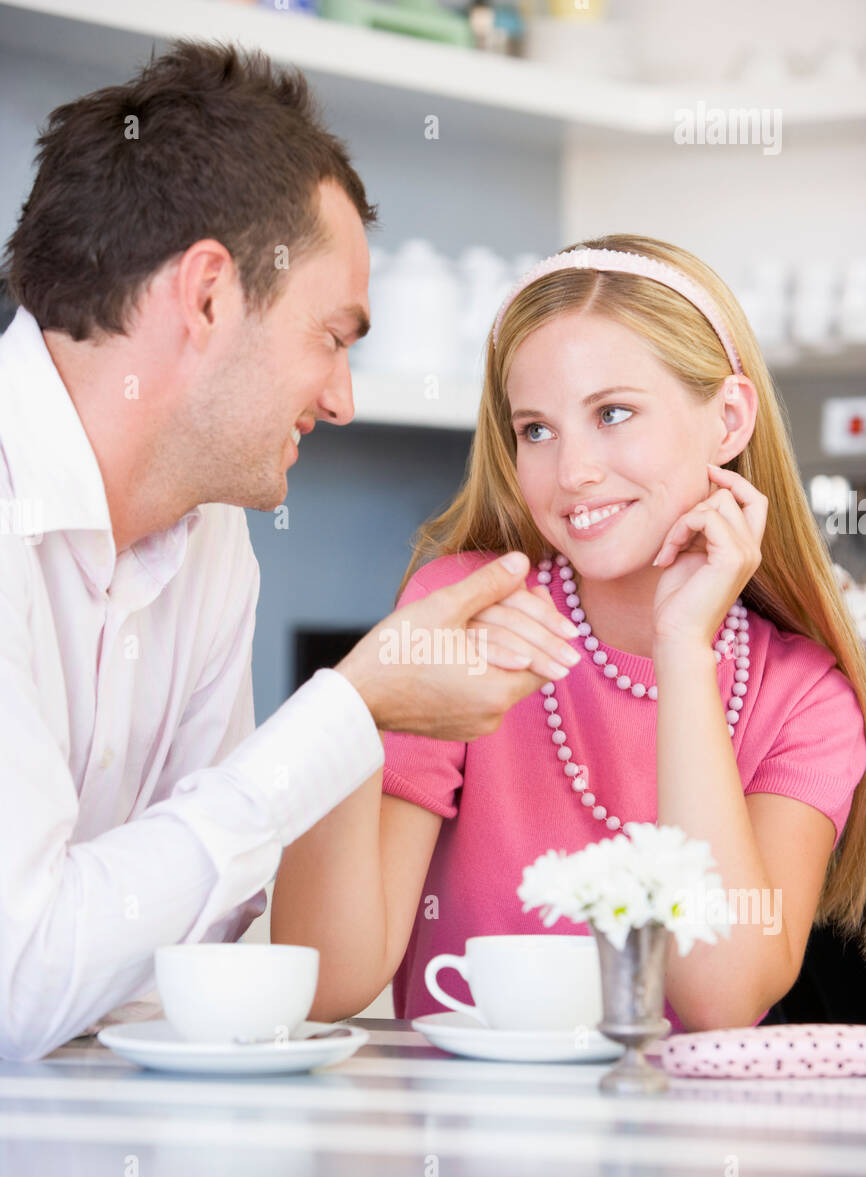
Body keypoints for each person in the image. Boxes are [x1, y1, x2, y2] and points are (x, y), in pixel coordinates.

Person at [0, 41, 580, 1062]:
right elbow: (20, 987)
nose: (342, 399)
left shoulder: (209, 536)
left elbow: (194, 944)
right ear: (210, 296)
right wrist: (352, 711)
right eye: (331, 335)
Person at [272, 235, 866, 1035]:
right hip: (465, 1146)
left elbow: (720, 998)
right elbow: (324, 980)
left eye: (613, 413)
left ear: (728, 420)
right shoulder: (466, 615)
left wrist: (685, 652)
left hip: (679, 1154)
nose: (573, 470)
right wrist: (359, 706)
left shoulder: (804, 696)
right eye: (537, 430)